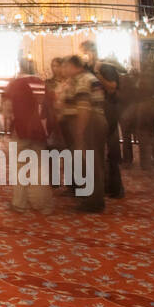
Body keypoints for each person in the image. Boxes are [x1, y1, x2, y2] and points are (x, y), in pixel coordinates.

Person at [3, 57, 51, 212]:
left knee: (20, 167)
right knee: (39, 167)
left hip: (21, 130)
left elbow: (7, 109)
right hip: (40, 130)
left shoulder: (15, 84)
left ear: (20, 67)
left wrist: (9, 123)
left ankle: (20, 203)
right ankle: (42, 204)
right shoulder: (43, 84)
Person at [62, 55, 107, 212]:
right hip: (91, 122)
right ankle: (91, 196)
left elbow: (84, 107)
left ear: (75, 66)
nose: (64, 70)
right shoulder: (82, 79)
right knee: (90, 160)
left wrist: (80, 132)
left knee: (90, 162)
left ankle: (93, 201)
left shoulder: (83, 80)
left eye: (66, 66)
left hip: (89, 123)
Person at [81, 41, 124, 198]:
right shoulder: (86, 68)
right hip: (95, 112)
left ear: (93, 51)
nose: (85, 55)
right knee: (96, 150)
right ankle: (103, 185)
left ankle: (116, 187)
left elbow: (112, 87)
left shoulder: (104, 67)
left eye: (86, 51)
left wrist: (98, 73)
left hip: (108, 112)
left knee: (111, 150)